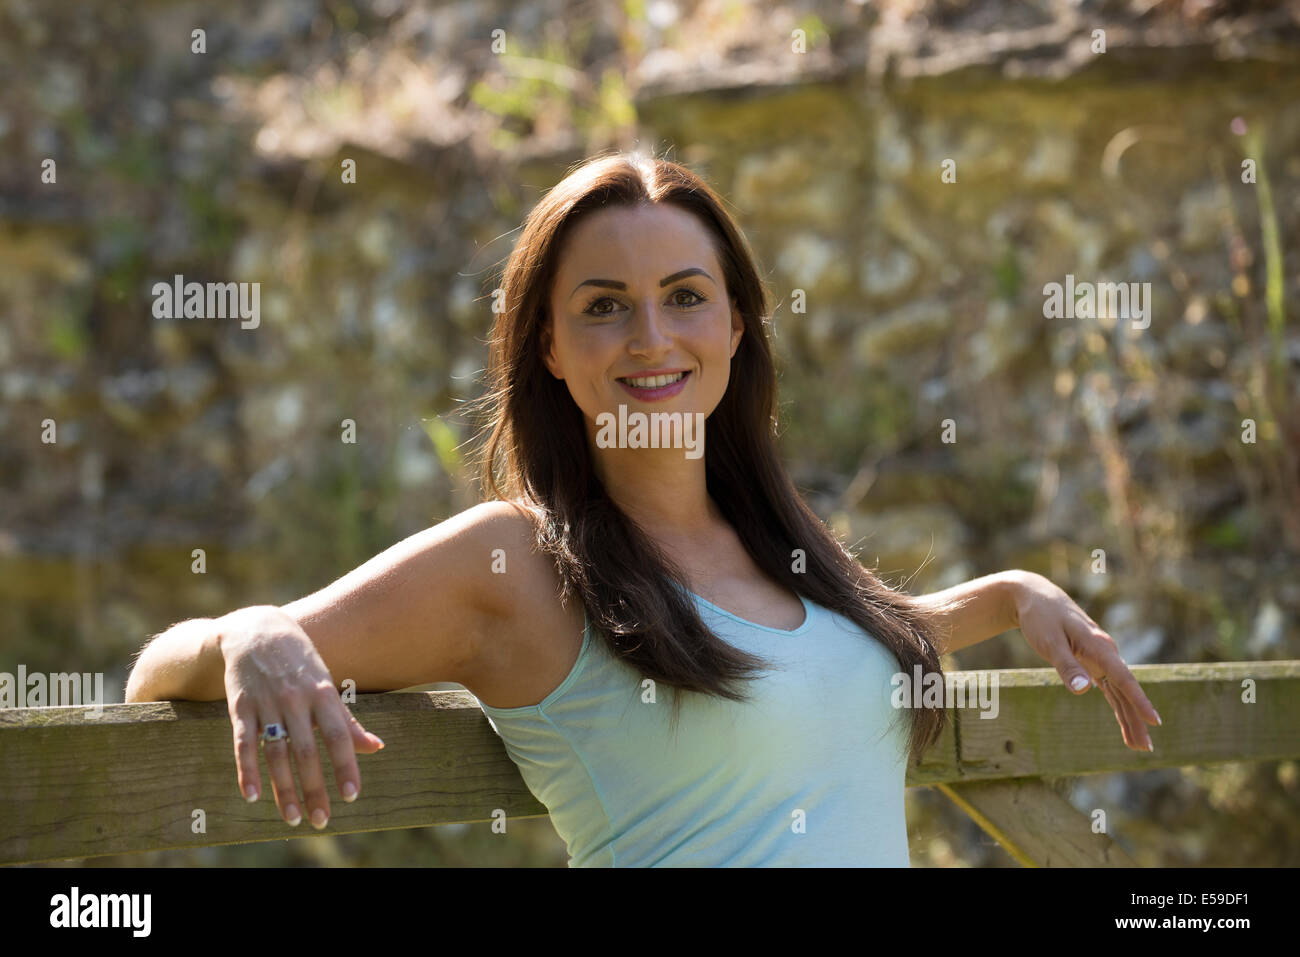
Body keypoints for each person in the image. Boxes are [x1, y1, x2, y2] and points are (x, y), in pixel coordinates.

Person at [125, 150, 1161, 866]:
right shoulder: (514, 567)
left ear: (739, 325)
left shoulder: (771, 547)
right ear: (548, 347)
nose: (651, 338)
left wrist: (1013, 595)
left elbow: (820, 670)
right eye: (604, 307)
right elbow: (153, 674)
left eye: (684, 295)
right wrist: (250, 631)